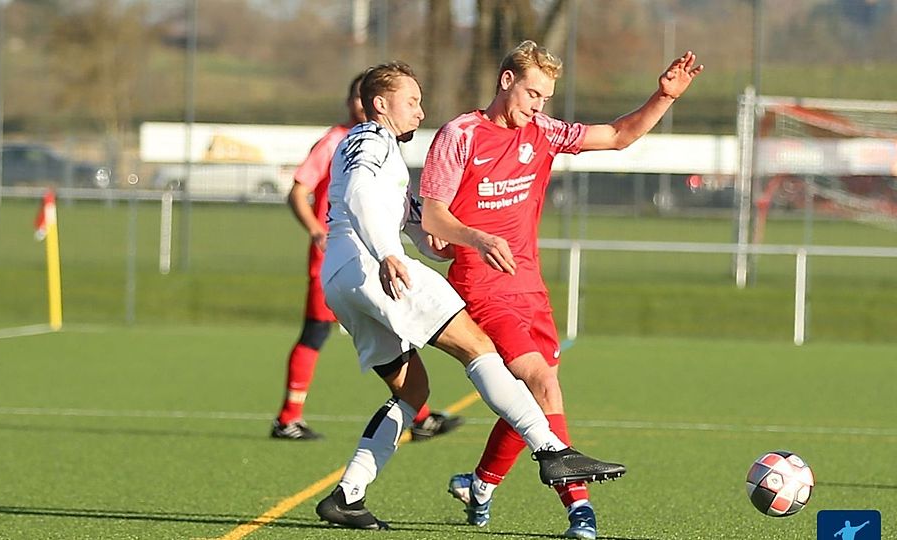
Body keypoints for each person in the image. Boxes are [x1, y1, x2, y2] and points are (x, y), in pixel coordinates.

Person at [313, 61, 625, 531]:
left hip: (341, 282)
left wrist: (425, 238)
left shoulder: (375, 149)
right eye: (412, 101)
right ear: (380, 104)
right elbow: (359, 196)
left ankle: (347, 495)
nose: (420, 111)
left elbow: (398, 209)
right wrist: (388, 254)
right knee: (478, 348)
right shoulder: (371, 140)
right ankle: (552, 451)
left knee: (413, 391)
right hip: (371, 268)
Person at [420, 40, 703, 539]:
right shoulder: (459, 135)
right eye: (532, 93)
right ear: (506, 81)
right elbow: (434, 214)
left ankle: (479, 485)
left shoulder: (543, 132)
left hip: (530, 288)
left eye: (546, 98)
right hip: (481, 288)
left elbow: (617, 136)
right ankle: (580, 511)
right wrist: (477, 236)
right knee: (543, 384)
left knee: (533, 394)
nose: (538, 105)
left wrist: (664, 97)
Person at [271, 72, 463, 442]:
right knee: (316, 332)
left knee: (392, 328)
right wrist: (316, 231)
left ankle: (419, 414)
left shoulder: (382, 142)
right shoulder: (337, 141)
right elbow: (299, 191)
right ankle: (288, 417)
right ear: (357, 102)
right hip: (343, 256)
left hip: (371, 257)